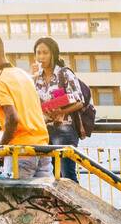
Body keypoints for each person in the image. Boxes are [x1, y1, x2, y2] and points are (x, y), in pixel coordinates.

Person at [0, 32, 51, 179]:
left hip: (20, 151)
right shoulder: (22, 74)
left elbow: (13, 119)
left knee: (16, 200)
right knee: (42, 201)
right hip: (43, 148)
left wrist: (0, 149)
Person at [31, 37, 88, 182]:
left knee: (67, 174)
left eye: (45, 53)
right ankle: (59, 205)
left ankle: (75, 205)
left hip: (65, 129)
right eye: (38, 53)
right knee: (53, 176)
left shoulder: (64, 73)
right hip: (45, 129)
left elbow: (80, 100)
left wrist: (60, 111)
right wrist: (32, 77)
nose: (41, 57)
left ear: (53, 54)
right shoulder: (37, 78)